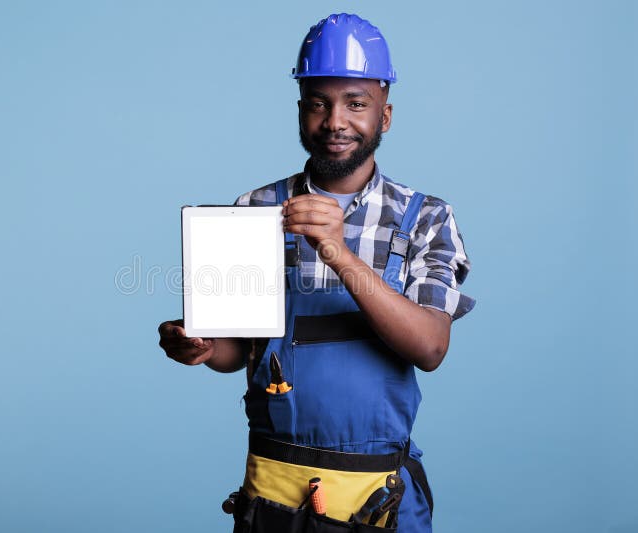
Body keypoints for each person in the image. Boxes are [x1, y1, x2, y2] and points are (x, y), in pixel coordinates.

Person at [158, 13, 474, 532]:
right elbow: (246, 347)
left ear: (385, 115)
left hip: (375, 495)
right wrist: (207, 347)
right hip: (273, 490)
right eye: (318, 103)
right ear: (300, 111)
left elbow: (430, 347)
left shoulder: (427, 218)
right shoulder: (255, 208)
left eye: (356, 103)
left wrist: (339, 253)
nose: (335, 122)